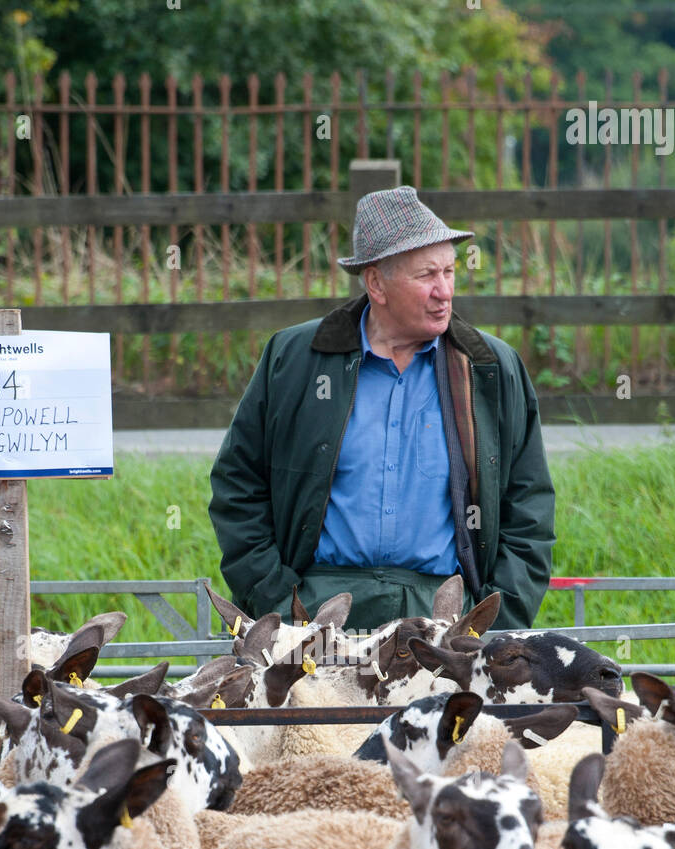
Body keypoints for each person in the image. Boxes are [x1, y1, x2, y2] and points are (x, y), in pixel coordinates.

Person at [209, 184, 554, 632]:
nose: (444, 291)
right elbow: (238, 483)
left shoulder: (490, 370)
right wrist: (277, 602)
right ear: (376, 283)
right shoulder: (294, 359)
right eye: (427, 275)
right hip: (318, 612)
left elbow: (530, 508)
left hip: (443, 618)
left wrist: (490, 621)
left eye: (450, 272)